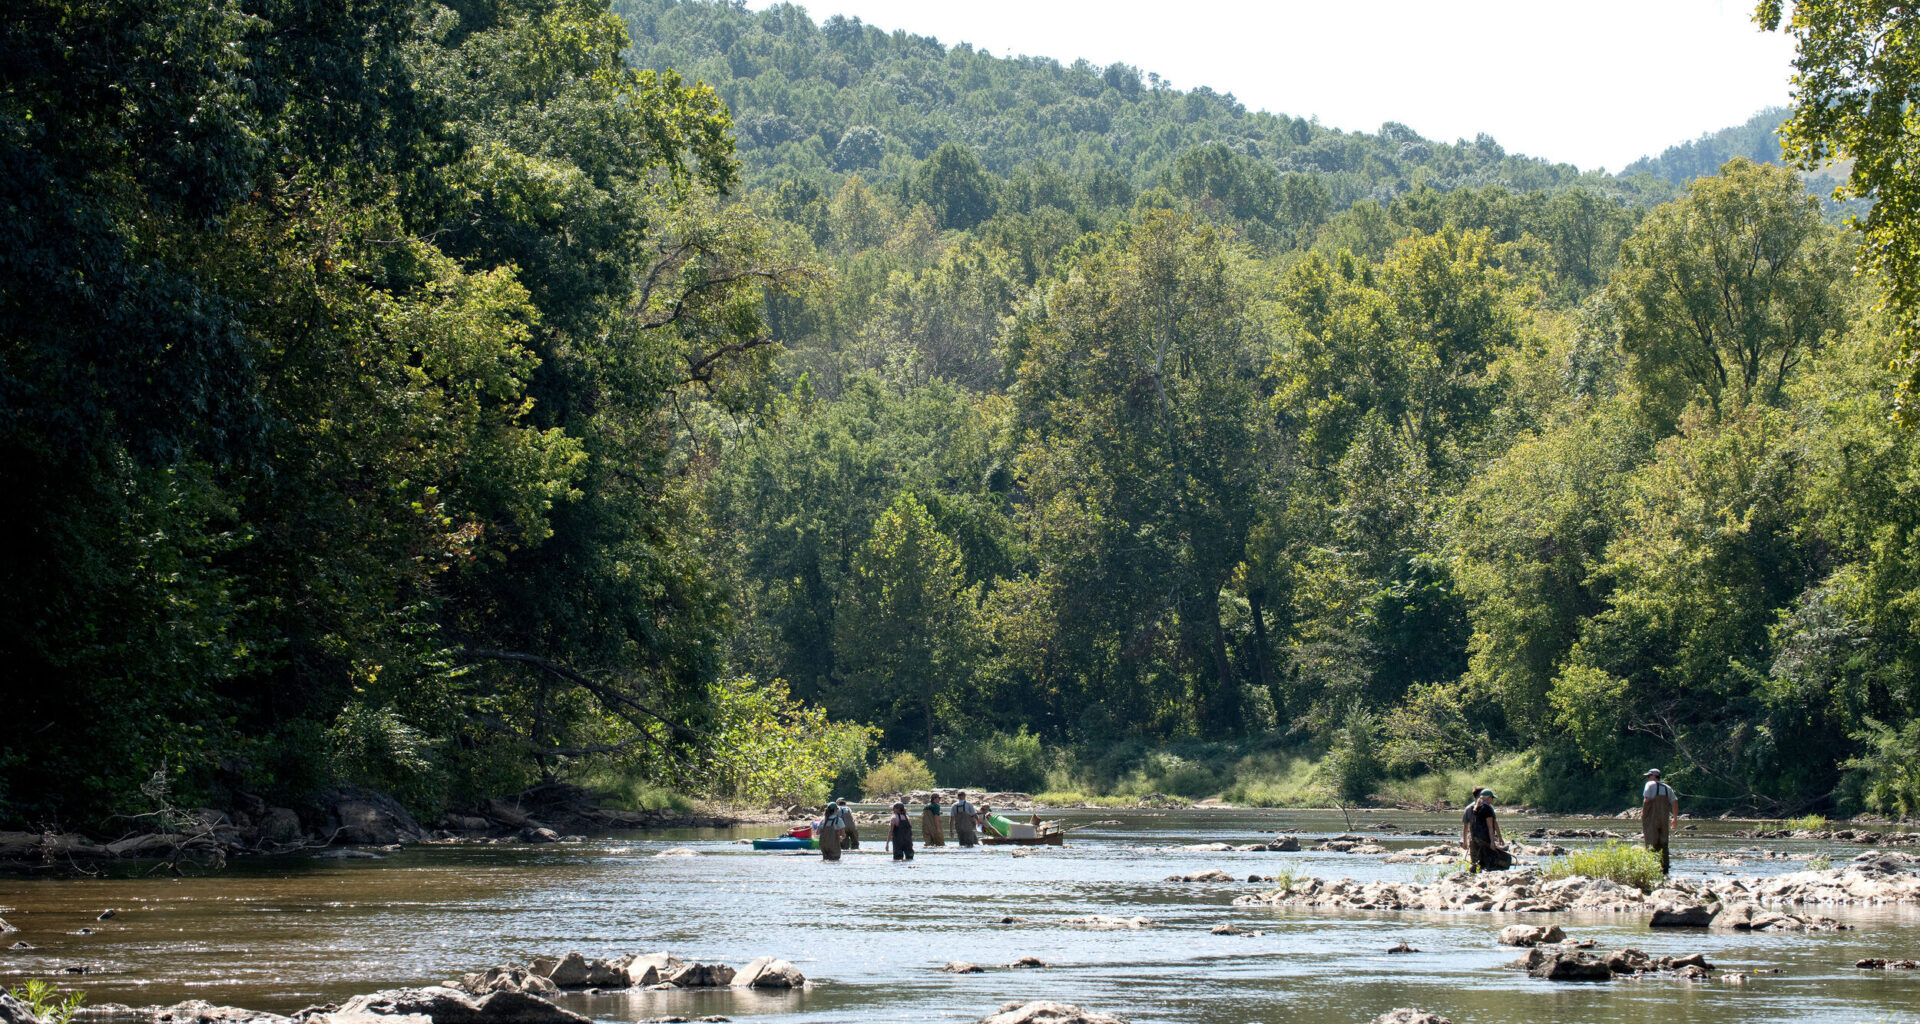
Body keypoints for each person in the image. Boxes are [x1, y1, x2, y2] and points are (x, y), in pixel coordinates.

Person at [1641, 768, 1678, 875]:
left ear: (1654, 776)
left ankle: (1651, 868)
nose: (1647, 778)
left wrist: (1643, 815)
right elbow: (1675, 802)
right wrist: (1675, 819)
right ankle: (1665, 869)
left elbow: (1647, 799)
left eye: (1648, 776)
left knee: (1651, 842)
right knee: (1663, 843)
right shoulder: (1667, 788)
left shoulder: (1649, 785)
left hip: (1651, 818)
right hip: (1664, 819)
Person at [1467, 789, 1504, 873]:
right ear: (1489, 798)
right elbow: (1490, 826)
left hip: (1474, 838)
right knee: (1490, 859)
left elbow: (1472, 824)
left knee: (1475, 861)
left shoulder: (1475, 808)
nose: (1492, 800)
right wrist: (1492, 842)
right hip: (1483, 838)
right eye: (1492, 798)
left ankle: (1472, 876)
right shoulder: (1487, 808)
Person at [1459, 786, 1483, 855]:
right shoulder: (1487, 807)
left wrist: (1465, 842)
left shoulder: (1468, 808)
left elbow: (1465, 826)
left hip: (1473, 838)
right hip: (1486, 838)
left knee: (1475, 859)